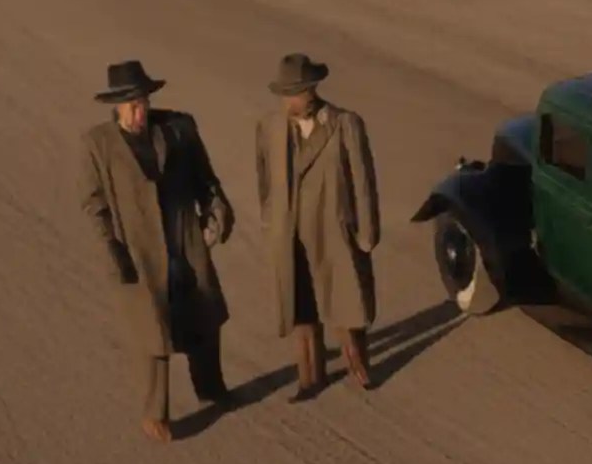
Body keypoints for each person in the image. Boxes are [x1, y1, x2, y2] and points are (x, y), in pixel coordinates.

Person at [78, 60, 236, 442]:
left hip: (184, 241)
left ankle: (211, 388)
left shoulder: (179, 128)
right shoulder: (97, 144)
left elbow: (207, 180)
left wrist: (217, 210)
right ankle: (155, 413)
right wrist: (112, 248)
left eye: (143, 102)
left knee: (202, 316)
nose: (139, 111)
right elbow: (93, 202)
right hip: (139, 252)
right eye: (131, 104)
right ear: (115, 105)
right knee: (151, 333)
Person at [254, 53, 380, 401]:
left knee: (345, 302)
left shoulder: (345, 124)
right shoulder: (270, 127)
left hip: (333, 230)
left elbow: (363, 182)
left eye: (294, 92)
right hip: (289, 233)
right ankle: (310, 378)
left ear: (311, 90)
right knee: (302, 308)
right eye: (285, 93)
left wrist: (367, 233)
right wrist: (271, 220)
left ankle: (359, 368)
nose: (289, 100)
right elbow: (264, 179)